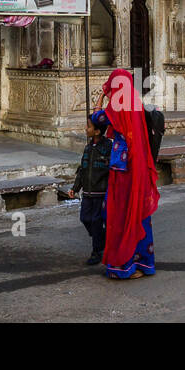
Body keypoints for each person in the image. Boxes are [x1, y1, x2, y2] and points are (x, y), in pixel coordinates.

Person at [97, 68, 160, 279]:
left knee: (121, 214)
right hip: (138, 168)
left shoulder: (116, 106)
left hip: (123, 172)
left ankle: (124, 266)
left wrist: (100, 96)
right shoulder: (134, 102)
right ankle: (144, 262)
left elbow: (96, 119)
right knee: (139, 214)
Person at [66, 111, 112, 266]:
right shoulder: (87, 148)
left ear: (97, 131)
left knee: (96, 221)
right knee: (85, 218)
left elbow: (112, 169)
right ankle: (103, 238)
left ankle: (96, 251)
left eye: (89, 126)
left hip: (100, 193)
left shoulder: (108, 147)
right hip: (87, 193)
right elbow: (82, 170)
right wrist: (75, 187)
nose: (86, 129)